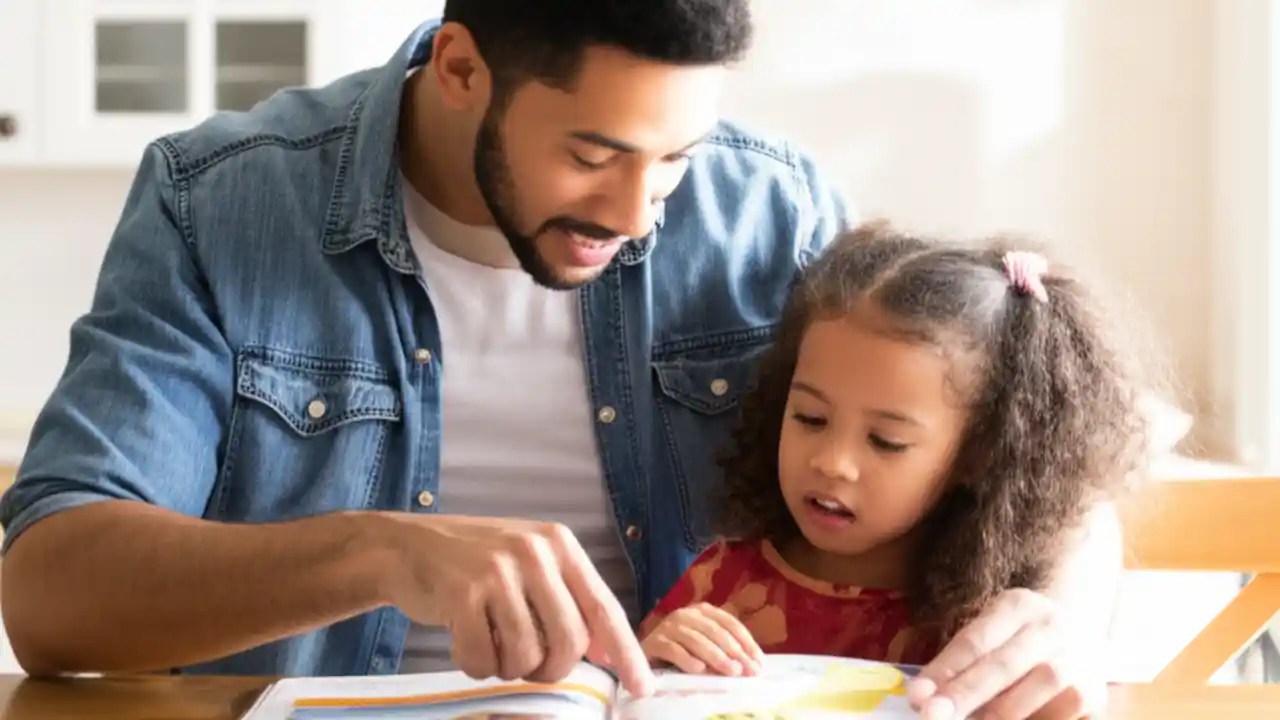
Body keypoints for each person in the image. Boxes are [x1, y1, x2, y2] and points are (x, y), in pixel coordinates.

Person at [0, 1, 1122, 716]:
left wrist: (1061, 609)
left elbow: (1022, 440)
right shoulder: (223, 203)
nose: (637, 211)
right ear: (457, 68)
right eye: (593, 154)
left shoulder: (766, 207)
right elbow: (51, 600)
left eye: (675, 158)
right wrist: (385, 553)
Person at [638, 223, 1150, 719]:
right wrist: (661, 655)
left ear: (976, 457)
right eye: (810, 418)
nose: (831, 462)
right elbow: (632, 688)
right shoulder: (725, 577)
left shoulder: (994, 628)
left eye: (886, 442)